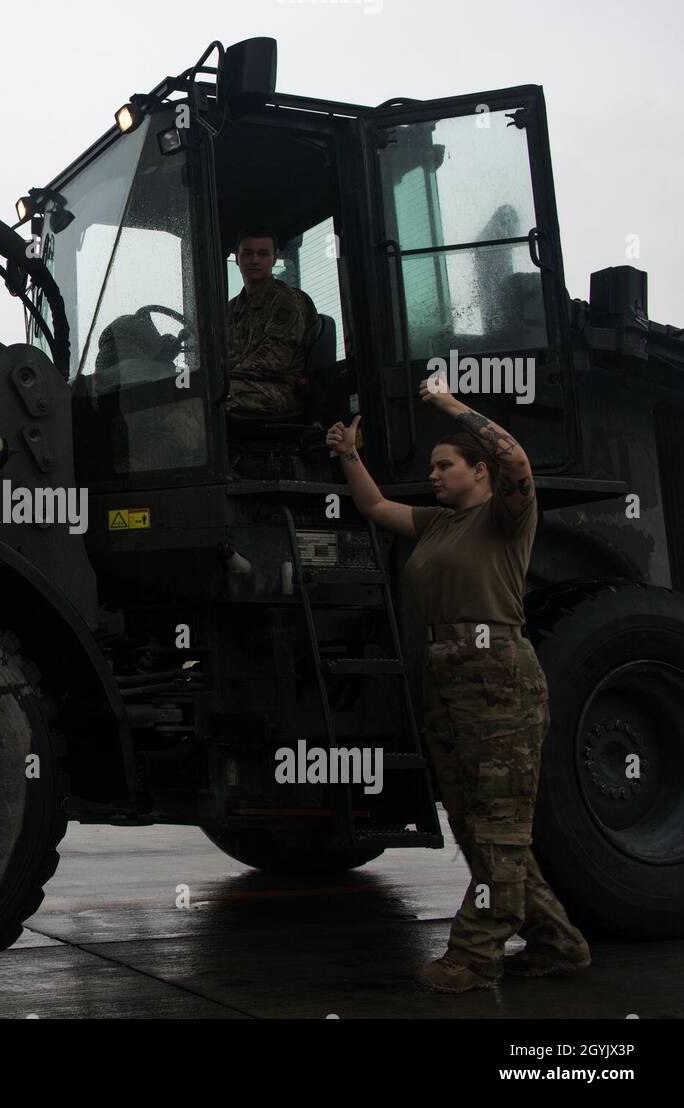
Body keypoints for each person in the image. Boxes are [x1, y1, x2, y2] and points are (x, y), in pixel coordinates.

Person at [326, 377, 591, 994]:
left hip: (498, 674)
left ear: (479, 471)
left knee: (498, 822)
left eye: (445, 466)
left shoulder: (507, 516)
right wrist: (348, 453)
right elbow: (373, 508)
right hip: (447, 672)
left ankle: (474, 956)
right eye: (433, 467)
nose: (435, 475)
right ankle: (557, 941)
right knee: (474, 822)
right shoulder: (439, 524)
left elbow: (517, 460)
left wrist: (451, 406)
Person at [223, 229, 316, 414]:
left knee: (211, 400)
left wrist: (222, 379)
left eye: (263, 254)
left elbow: (275, 359)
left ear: (275, 258)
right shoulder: (231, 309)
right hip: (241, 384)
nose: (255, 260)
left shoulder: (287, 301)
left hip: (279, 390)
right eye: (248, 253)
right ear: (237, 258)